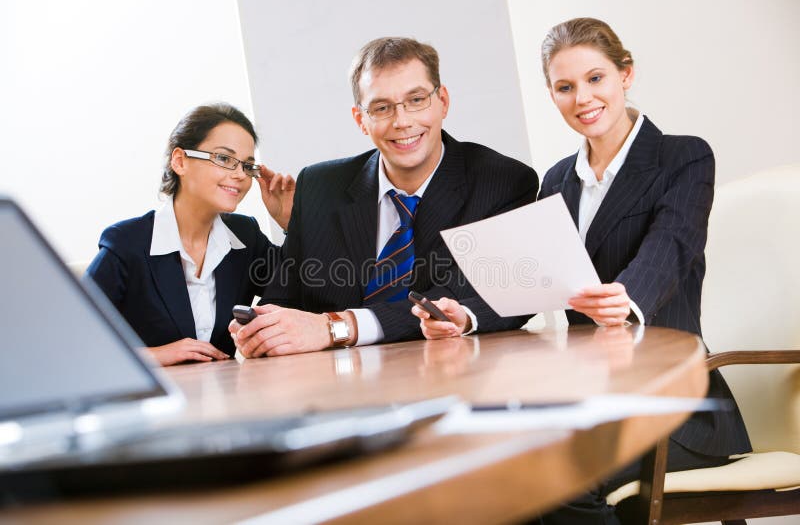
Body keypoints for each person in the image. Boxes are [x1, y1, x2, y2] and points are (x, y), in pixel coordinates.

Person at [412, 18, 751, 524]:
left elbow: (672, 247)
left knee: (554, 478)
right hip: (592, 400)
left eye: (596, 78)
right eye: (565, 87)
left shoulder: (683, 156)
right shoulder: (556, 181)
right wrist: (465, 316)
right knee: (499, 467)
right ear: (552, 95)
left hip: (673, 404)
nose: (583, 98)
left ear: (625, 74)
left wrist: (627, 297)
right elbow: (531, 279)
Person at [229, 36, 539, 357]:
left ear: (443, 101)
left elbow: (460, 299)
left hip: (451, 375)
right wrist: (261, 331)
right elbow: (285, 301)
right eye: (381, 108)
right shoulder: (318, 186)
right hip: (337, 387)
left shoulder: (502, 183)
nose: (402, 121)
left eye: (416, 99)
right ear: (360, 119)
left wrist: (336, 326)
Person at [86, 103, 294, 366]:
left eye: (247, 166)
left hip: (228, 396)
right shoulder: (127, 244)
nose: (240, 175)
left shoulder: (244, 237)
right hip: (154, 400)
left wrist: (290, 223)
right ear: (180, 161)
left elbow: (305, 295)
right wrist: (155, 355)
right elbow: (69, 338)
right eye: (224, 159)